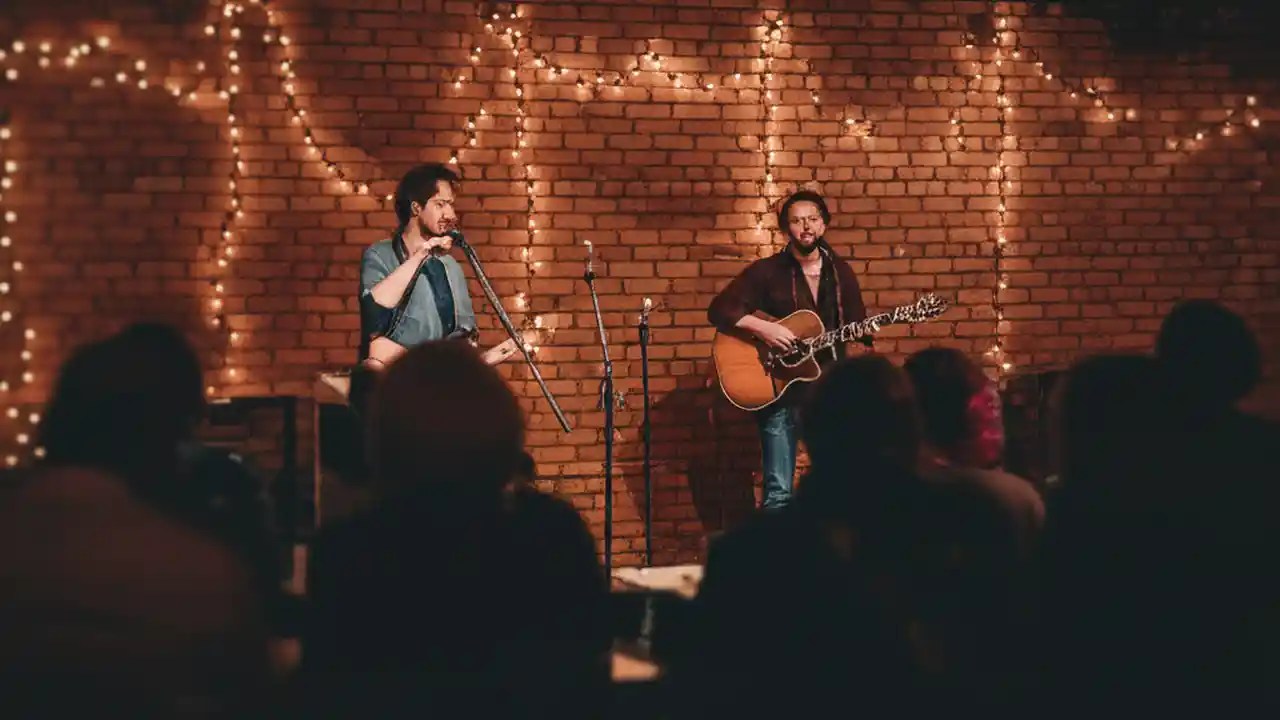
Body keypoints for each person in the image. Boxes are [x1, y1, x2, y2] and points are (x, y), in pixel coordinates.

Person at [707, 189, 870, 510]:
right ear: (786, 230)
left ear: (823, 225)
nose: (805, 227)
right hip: (780, 387)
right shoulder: (768, 272)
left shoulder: (841, 274)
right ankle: (777, 557)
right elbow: (720, 309)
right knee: (779, 492)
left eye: (812, 220)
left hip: (827, 390)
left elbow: (858, 325)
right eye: (796, 221)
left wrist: (864, 336)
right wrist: (765, 328)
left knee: (838, 485)